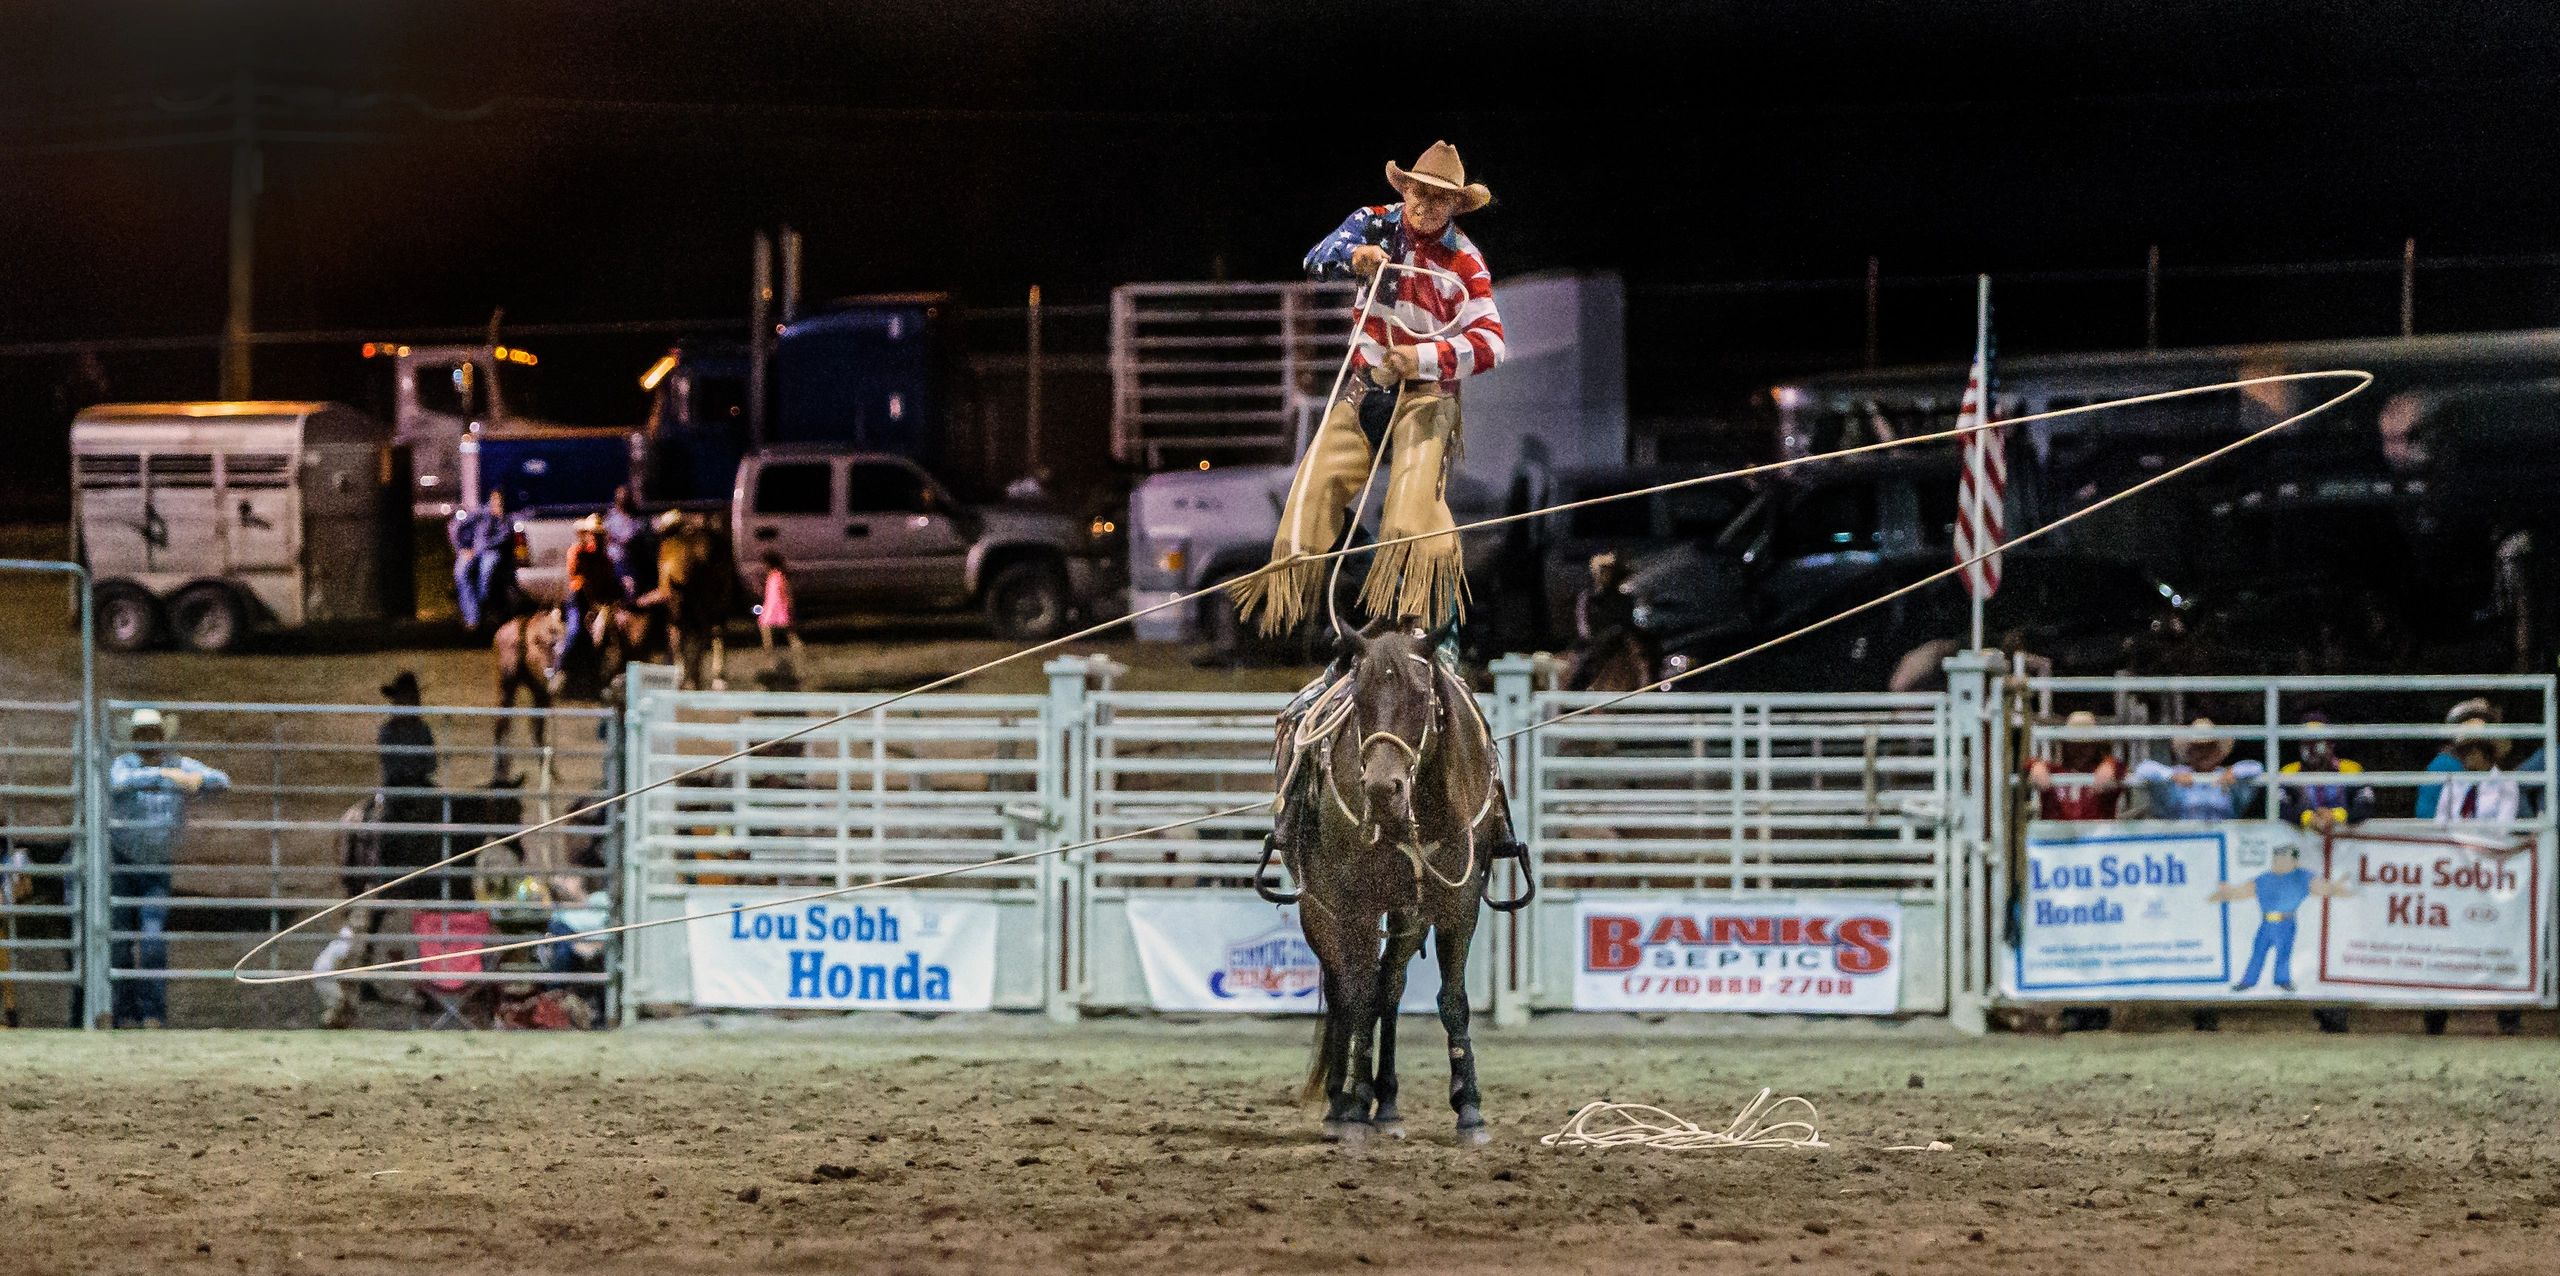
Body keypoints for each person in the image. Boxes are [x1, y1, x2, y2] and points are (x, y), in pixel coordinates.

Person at [1230, 140, 1505, 645]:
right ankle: (1291, 594)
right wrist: (1355, 257)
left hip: (1427, 398)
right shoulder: (1374, 223)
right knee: (1311, 488)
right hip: (1366, 387)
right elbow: (1316, 258)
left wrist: (1422, 358)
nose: (1425, 205)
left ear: (1455, 205)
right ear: (1406, 190)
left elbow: (1491, 343)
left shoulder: (1466, 263)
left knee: (1409, 512)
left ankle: (1408, 615)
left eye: (1439, 198)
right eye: (1419, 192)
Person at [106, 709, 229, 1027]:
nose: (148, 739)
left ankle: (151, 1013)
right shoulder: (127, 765)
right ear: (134, 738)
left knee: (152, 940)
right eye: (142, 734)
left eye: (153, 733)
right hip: (122, 863)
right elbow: (116, 783)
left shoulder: (179, 764)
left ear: (162, 737)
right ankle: (126, 1011)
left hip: (155, 867)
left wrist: (196, 780)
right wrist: (168, 777)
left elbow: (221, 780)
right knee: (120, 944)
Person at [2210, 842, 2352, 994]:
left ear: (2294, 861)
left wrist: (2335, 887)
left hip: (2286, 923)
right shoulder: (2264, 879)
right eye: (2277, 857)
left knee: (2283, 954)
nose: (2279, 861)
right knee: (2258, 953)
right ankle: (2248, 982)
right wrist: (2228, 890)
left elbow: (2321, 887)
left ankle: (2282, 980)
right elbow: (2242, 891)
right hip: (2266, 923)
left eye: (2284, 857)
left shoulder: (2302, 877)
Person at [2129, 719, 2264, 821]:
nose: (2204, 753)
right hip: (2182, 841)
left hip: (2224, 841)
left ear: (2218, 752)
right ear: (2189, 751)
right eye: (2198, 748)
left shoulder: (2228, 776)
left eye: (2209, 747)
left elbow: (2256, 768)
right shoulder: (2178, 773)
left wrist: (2234, 772)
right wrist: (2171, 775)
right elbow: (2143, 769)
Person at [554, 513, 625, 676]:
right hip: (579, 600)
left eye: (598, 535)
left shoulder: (605, 559)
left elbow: (609, 582)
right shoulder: (577, 552)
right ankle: (559, 667)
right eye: (593, 534)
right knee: (575, 630)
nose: (596, 538)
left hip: (600, 602)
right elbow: (575, 573)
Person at [1564, 553, 1647, 692]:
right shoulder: (1589, 597)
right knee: (1588, 661)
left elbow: (1629, 618)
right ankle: (1576, 691)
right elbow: (1583, 622)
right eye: (1602, 571)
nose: (1605, 575)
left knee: (1646, 650)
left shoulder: (1624, 598)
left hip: (1621, 635)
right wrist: (1591, 637)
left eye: (1608, 571)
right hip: (1597, 639)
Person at [2029, 711, 2124, 820]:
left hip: (2095, 831)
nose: (2079, 750)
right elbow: (2025, 766)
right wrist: (2035, 765)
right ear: (2065, 746)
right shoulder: (2053, 771)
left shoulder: (2107, 770)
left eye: (2086, 745)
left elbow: (2121, 768)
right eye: (2074, 744)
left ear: (2095, 746)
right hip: (2056, 831)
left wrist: (2110, 765)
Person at [448, 489, 514, 630]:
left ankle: (481, 608)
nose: (496, 503)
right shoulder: (481, 513)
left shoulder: (506, 519)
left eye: (499, 501)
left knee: (486, 574)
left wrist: (501, 518)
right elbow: (455, 527)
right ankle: (472, 617)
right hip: (472, 550)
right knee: (460, 573)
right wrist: (461, 548)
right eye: (494, 500)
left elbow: (504, 537)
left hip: (491, 552)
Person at [602, 486, 658, 601]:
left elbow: (636, 537)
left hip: (633, 559)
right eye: (620, 498)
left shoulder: (636, 518)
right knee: (625, 585)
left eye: (626, 498)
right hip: (616, 559)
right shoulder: (611, 517)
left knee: (634, 587)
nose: (623, 500)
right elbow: (606, 535)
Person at [757, 550, 804, 663]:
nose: (764, 566)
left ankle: (769, 653)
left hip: (777, 608)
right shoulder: (775, 575)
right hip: (774, 608)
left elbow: (785, 592)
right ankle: (798, 651)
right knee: (787, 632)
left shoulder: (777, 576)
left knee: (772, 629)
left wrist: (790, 606)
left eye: (765, 564)